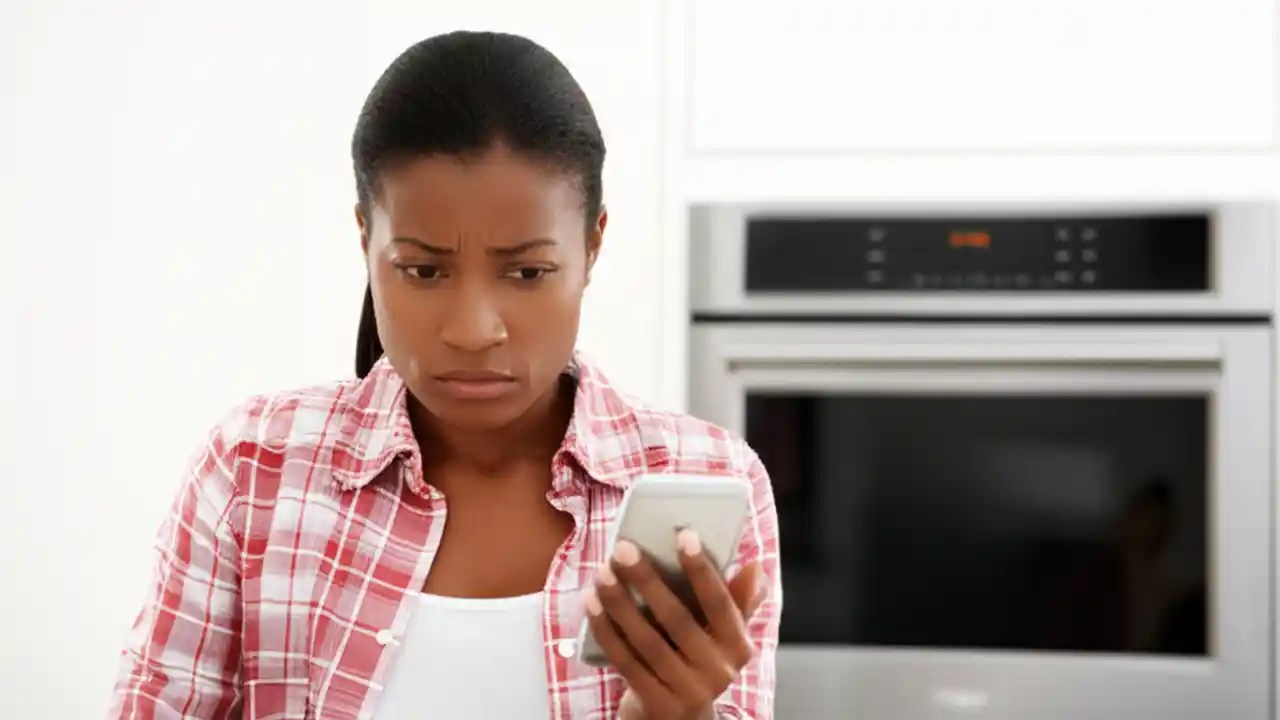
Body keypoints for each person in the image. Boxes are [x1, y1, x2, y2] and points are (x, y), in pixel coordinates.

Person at [108, 31, 780, 720]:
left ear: (592, 244)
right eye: (423, 271)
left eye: (527, 272)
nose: (473, 328)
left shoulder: (711, 480)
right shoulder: (254, 470)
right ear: (365, 237)